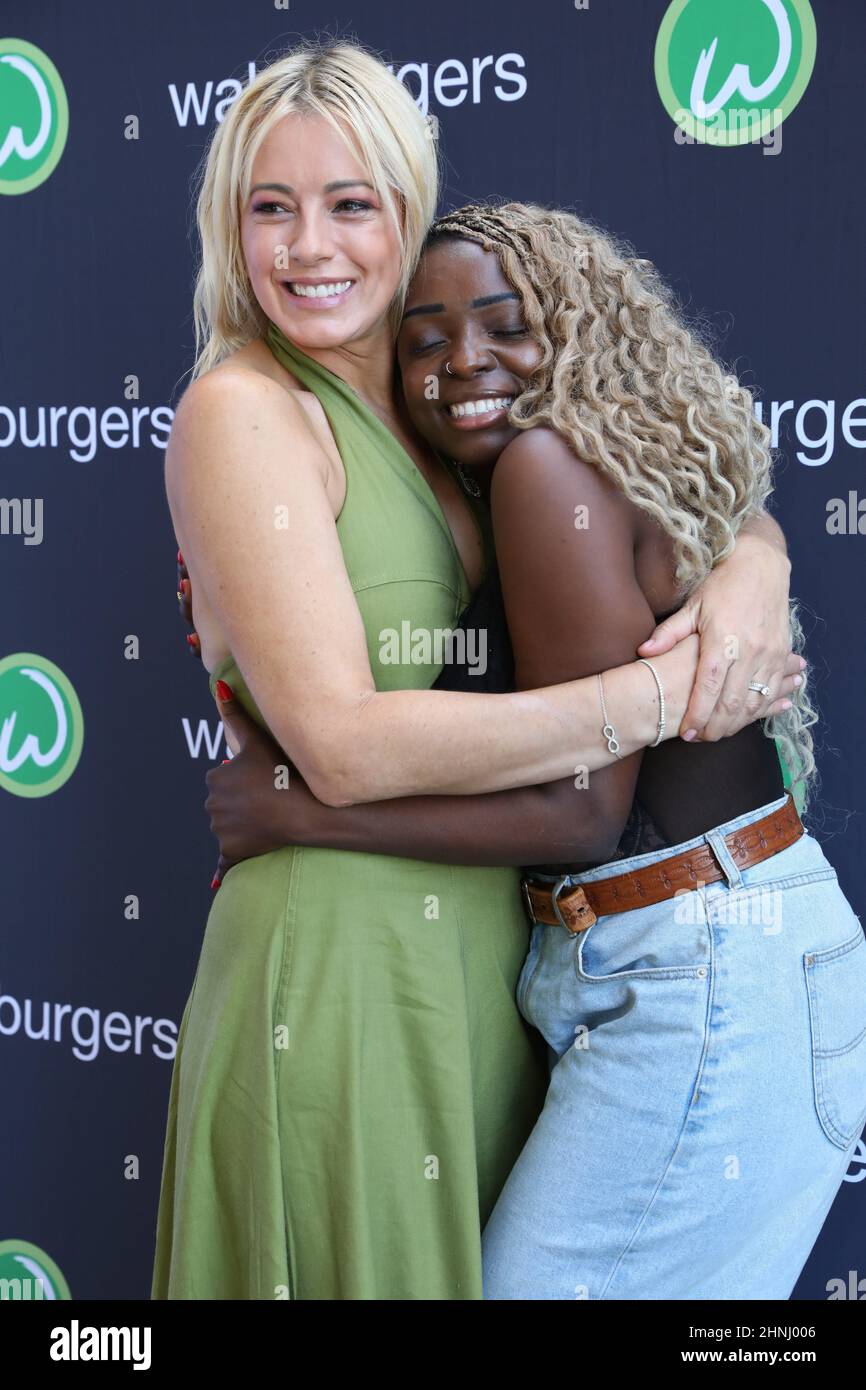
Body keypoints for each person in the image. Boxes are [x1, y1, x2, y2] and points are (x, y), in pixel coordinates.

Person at [154, 40, 801, 1301]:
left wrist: (750, 570)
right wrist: (662, 697)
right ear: (228, 231)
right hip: (339, 967)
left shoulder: (437, 397)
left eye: (351, 203)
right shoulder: (245, 409)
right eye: (269, 208)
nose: (309, 246)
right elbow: (338, 742)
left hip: (490, 965)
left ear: (406, 205)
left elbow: (662, 490)